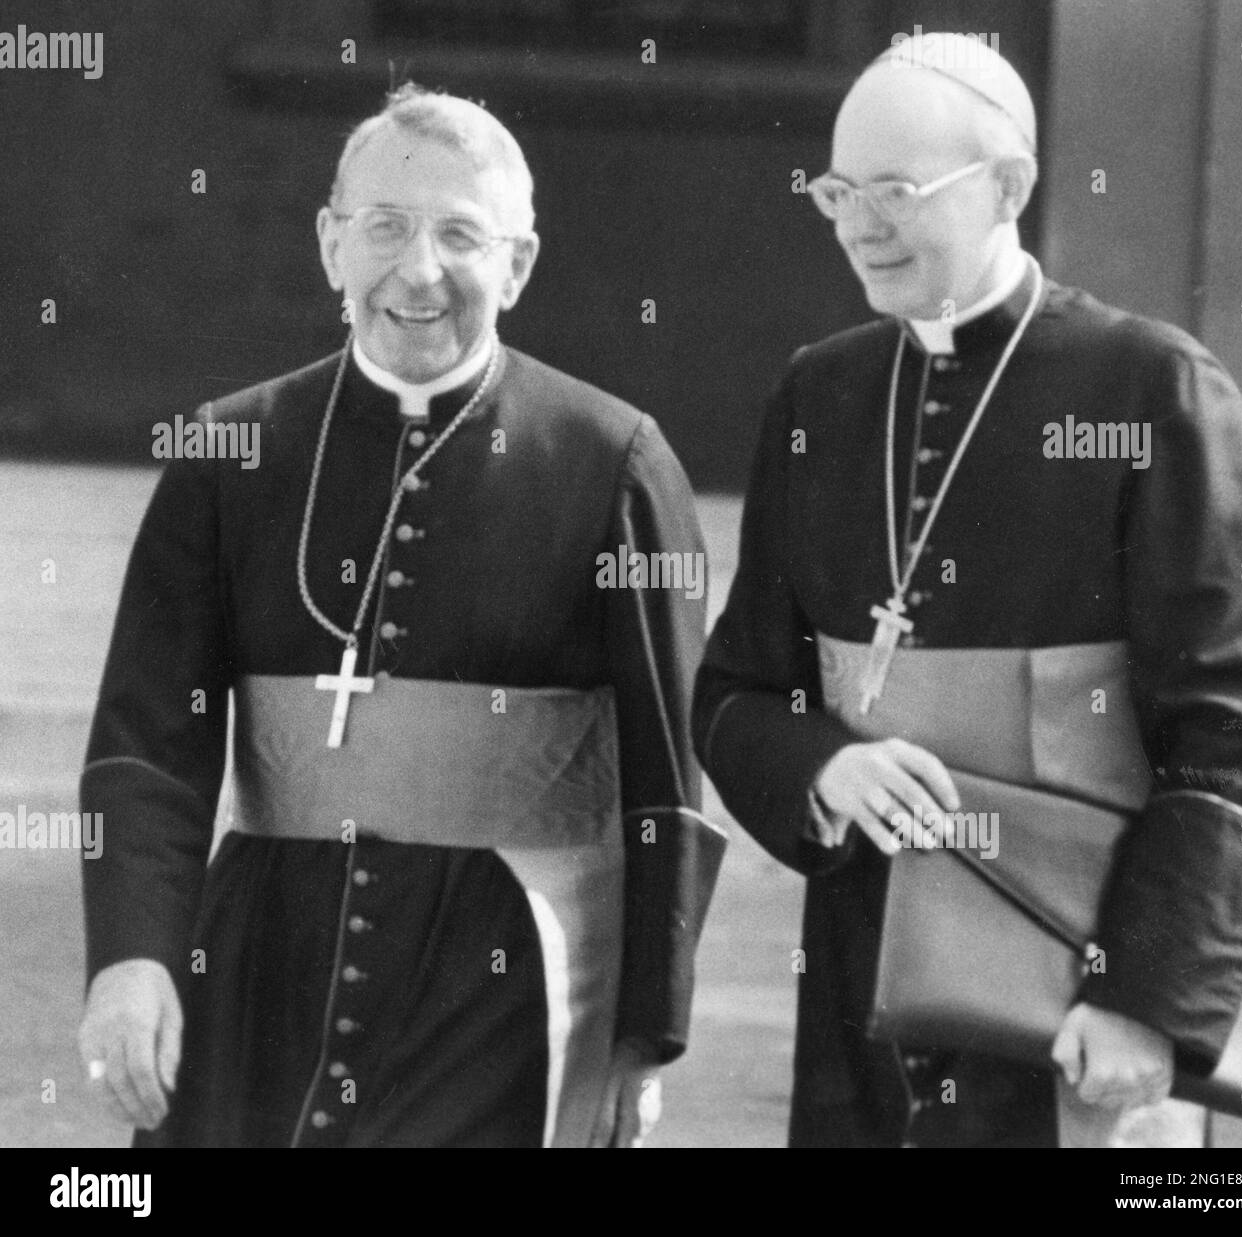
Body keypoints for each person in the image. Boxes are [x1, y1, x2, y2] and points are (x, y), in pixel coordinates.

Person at [79, 84, 724, 1148]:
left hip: (503, 974)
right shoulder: (227, 453)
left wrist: (643, 1033)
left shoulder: (610, 462)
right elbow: (150, 739)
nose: (418, 271)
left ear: (516, 265)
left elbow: (665, 776)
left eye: (460, 235)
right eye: (384, 227)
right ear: (332, 244)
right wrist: (135, 955)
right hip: (262, 957)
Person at [693, 32, 1242, 1148]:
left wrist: (1147, 1002)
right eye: (837, 191)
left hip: (1083, 998)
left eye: (895, 191)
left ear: (1009, 186)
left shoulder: (1148, 386)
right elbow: (738, 689)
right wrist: (823, 761)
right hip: (865, 992)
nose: (857, 225)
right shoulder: (818, 394)